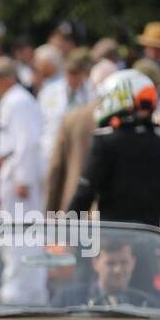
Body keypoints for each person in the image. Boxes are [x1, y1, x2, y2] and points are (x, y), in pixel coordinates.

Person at [67, 69, 160, 237]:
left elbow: (85, 193)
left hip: (112, 241)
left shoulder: (105, 141)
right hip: (149, 240)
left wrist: (66, 232)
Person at [0, 56, 47, 304]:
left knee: (21, 234)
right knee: (11, 233)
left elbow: (28, 142)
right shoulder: (13, 99)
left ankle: (23, 290)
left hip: (19, 173)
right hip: (12, 166)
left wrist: (24, 178)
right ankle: (19, 287)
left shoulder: (18, 101)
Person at [45, 60, 117, 213]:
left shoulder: (72, 119)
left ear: (92, 85)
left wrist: (49, 212)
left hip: (73, 209)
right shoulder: (128, 123)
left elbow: (56, 168)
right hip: (111, 215)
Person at [51, 241, 160, 308]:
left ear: (133, 263)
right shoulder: (68, 300)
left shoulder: (147, 303)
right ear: (95, 263)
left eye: (124, 262)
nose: (118, 270)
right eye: (110, 263)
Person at [39, 48, 93, 168]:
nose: (73, 78)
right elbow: (41, 120)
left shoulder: (92, 91)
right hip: (53, 145)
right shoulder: (49, 91)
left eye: (76, 74)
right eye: (70, 73)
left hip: (80, 146)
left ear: (82, 74)